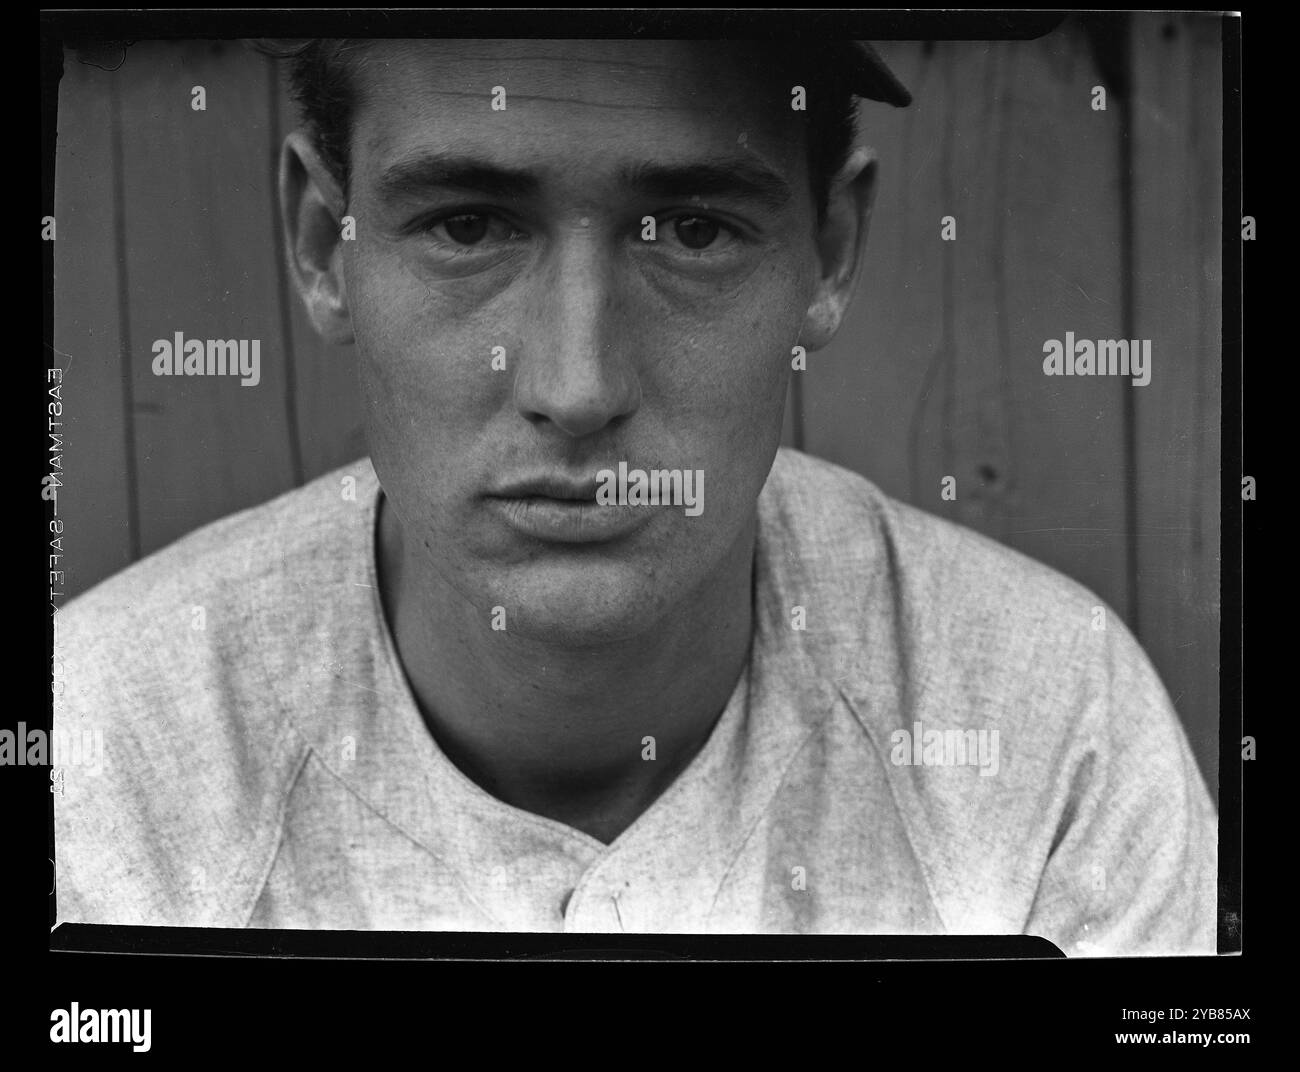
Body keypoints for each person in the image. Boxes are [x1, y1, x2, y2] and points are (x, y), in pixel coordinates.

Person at [54, 38, 1216, 950]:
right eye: (468, 225)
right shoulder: (109, 760)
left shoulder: (1051, 727)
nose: (577, 384)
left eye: (693, 231)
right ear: (323, 243)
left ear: (831, 249)